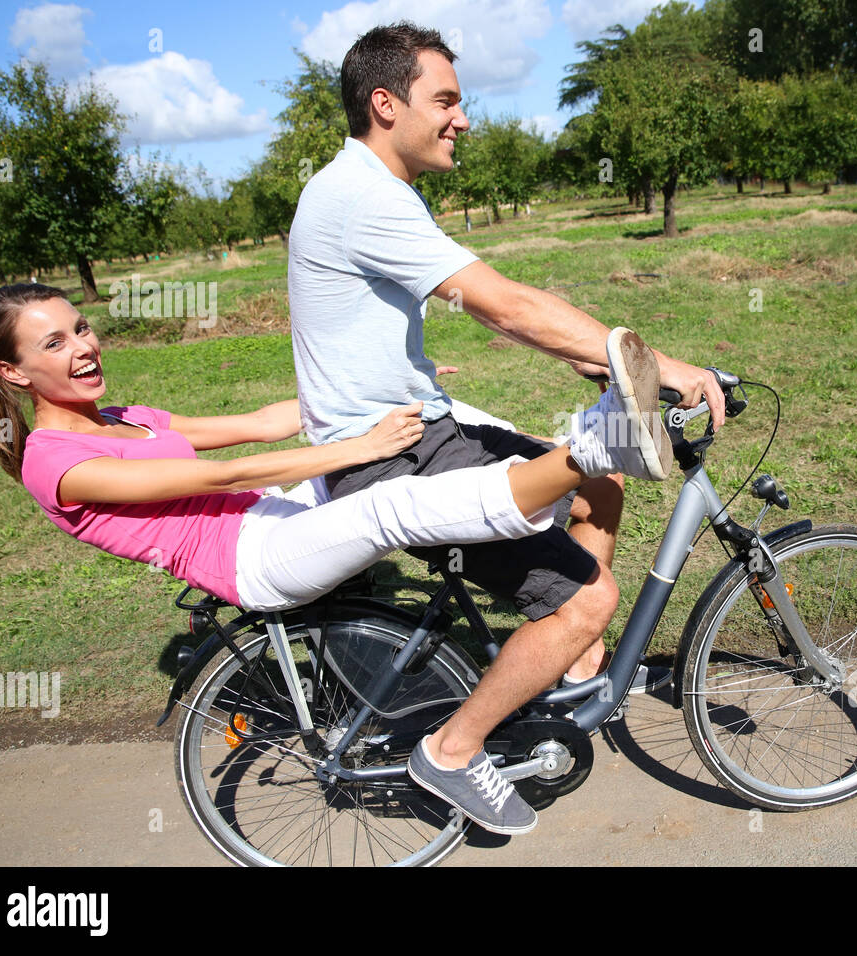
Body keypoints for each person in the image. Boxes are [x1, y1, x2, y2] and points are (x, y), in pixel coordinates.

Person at [0, 284, 672, 831]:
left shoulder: (122, 419)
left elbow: (257, 424)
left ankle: (573, 634)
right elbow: (219, 476)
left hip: (275, 514)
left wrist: (377, 387)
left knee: (442, 420)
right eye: (52, 344)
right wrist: (353, 447)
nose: (82, 348)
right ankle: (587, 451)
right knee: (384, 502)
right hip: (254, 557)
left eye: (80, 328)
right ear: (11, 372)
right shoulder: (53, 462)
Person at [286, 21, 725, 833]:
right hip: (398, 463)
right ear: (386, 104)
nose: (461, 119)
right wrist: (656, 365)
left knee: (601, 477)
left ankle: (568, 660)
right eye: (444, 101)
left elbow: (478, 304)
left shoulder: (372, 189)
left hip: (420, 435)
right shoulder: (361, 196)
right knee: (592, 599)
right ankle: (452, 751)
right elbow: (503, 300)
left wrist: (580, 355)